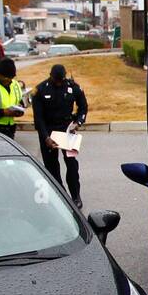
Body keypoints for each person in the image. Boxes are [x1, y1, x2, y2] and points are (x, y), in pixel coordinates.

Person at [32, 63, 88, 207]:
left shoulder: (73, 87)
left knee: (72, 165)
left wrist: (78, 122)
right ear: (50, 76)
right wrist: (46, 137)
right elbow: (38, 118)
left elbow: (83, 107)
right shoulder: (40, 90)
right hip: (48, 131)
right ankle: (62, 197)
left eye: (61, 80)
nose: (58, 83)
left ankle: (76, 196)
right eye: (56, 80)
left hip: (67, 129)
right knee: (52, 168)